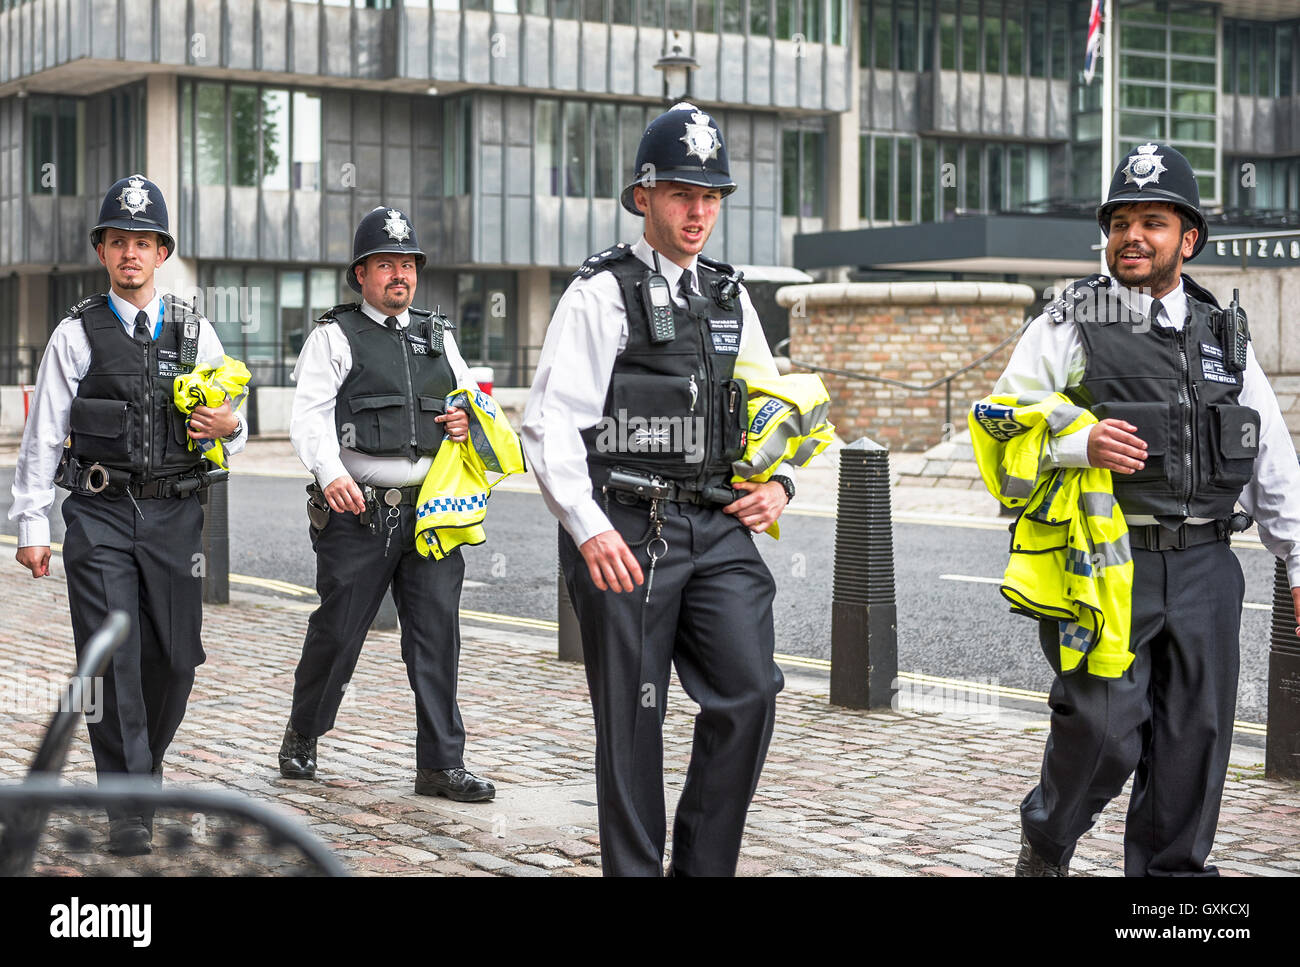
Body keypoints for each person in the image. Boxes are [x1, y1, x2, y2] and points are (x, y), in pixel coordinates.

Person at [993, 143, 1300, 876]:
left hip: (1206, 564)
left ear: (1187, 239)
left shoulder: (1226, 334)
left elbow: (1270, 454)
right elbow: (999, 424)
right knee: (1103, 731)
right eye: (1121, 221)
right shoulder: (1068, 321)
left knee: (1193, 748)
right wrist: (1078, 441)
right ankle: (1047, 834)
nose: (1133, 235)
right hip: (1103, 564)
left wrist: (1296, 559)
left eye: (1152, 221)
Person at [521, 103, 794, 876]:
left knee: (749, 694)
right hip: (625, 528)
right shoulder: (600, 293)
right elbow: (547, 426)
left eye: (711, 195)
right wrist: (588, 527)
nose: (699, 210)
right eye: (681, 192)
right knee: (634, 726)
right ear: (644, 196)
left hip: (715, 527)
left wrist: (779, 481)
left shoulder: (732, 294)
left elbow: (775, 404)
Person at [9, 174, 247, 855]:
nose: (131, 253)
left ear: (162, 252)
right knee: (114, 658)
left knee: (175, 661)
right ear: (104, 252)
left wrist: (229, 423)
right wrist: (32, 526)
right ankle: (128, 807)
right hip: (100, 514)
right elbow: (43, 437)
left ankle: (142, 772)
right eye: (119, 241)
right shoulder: (74, 335)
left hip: (177, 517)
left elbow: (235, 416)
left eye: (143, 242)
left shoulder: (196, 332)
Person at [278, 206, 494, 803]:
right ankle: (304, 731)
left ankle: (441, 765)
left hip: (433, 513)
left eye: (407, 265)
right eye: (386, 265)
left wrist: (462, 417)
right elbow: (310, 418)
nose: (399, 275)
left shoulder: (437, 333)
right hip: (359, 511)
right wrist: (328, 474)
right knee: (340, 630)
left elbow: (470, 402)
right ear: (361, 274)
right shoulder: (333, 335)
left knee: (436, 636)